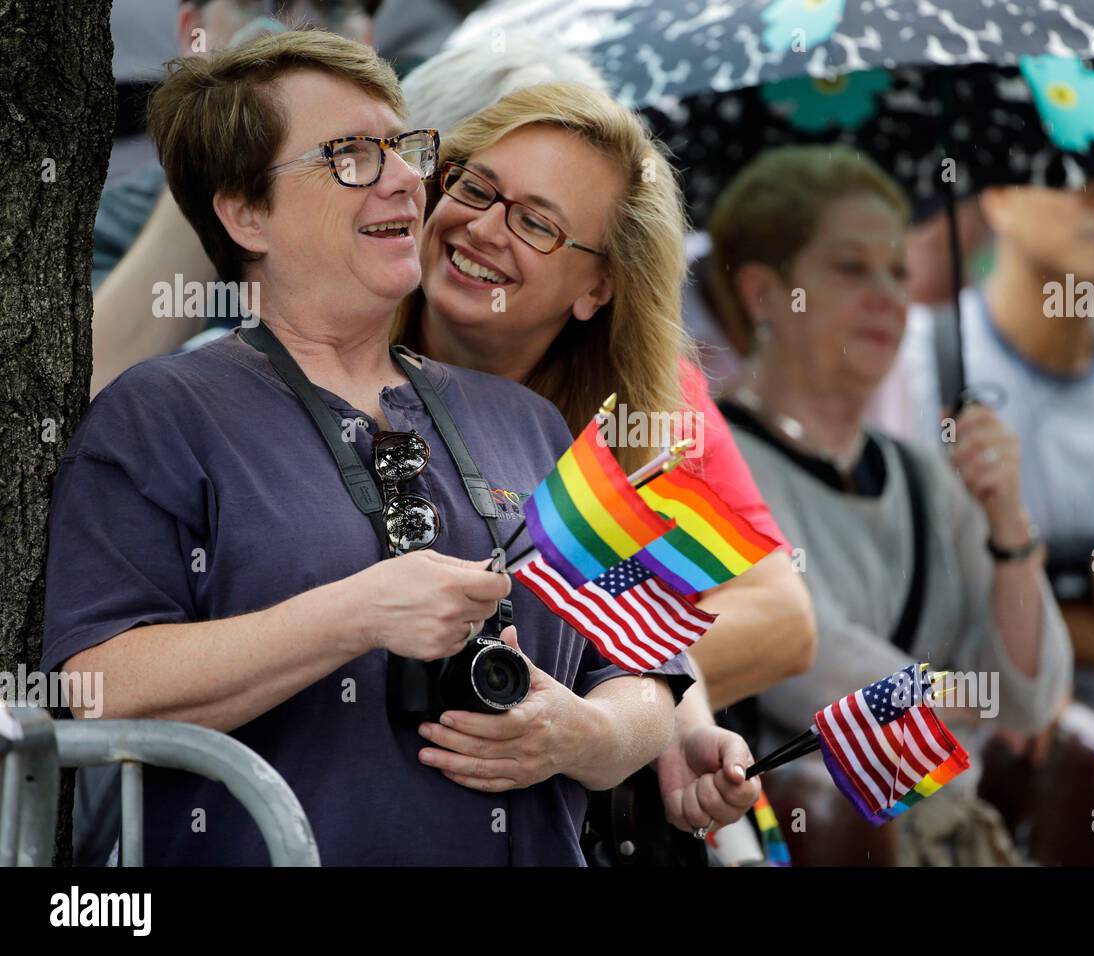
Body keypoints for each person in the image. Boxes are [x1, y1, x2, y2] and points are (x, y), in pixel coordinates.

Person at [42, 30, 689, 866]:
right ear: (245, 212)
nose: (404, 178)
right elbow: (97, 690)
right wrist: (359, 612)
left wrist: (583, 733)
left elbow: (645, 675)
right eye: (348, 155)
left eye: (404, 147)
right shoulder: (163, 412)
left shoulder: (527, 421)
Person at [388, 77, 817, 839]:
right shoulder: (325, 355)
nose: (485, 229)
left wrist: (680, 728)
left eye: (537, 225)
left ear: (597, 289)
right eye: (476, 186)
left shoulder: (630, 424)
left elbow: (659, 613)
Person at [705, 145, 1073, 865]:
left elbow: (1035, 695)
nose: (887, 295)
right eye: (850, 268)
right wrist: (978, 698)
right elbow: (819, 670)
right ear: (762, 292)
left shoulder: (927, 474)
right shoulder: (711, 462)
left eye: (899, 271)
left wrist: (1007, 521)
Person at [901, 170, 1094, 864]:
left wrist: (992, 622)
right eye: (1081, 176)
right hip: (918, 700)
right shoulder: (906, 359)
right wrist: (1088, 573)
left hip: (1086, 716)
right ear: (997, 195)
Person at [91, 0, 382, 396]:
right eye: (252, 6)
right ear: (192, 31)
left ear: (366, 43)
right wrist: (210, 166)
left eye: (327, 11)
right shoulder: (112, 223)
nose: (287, 34)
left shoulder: (407, 193)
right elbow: (85, 393)